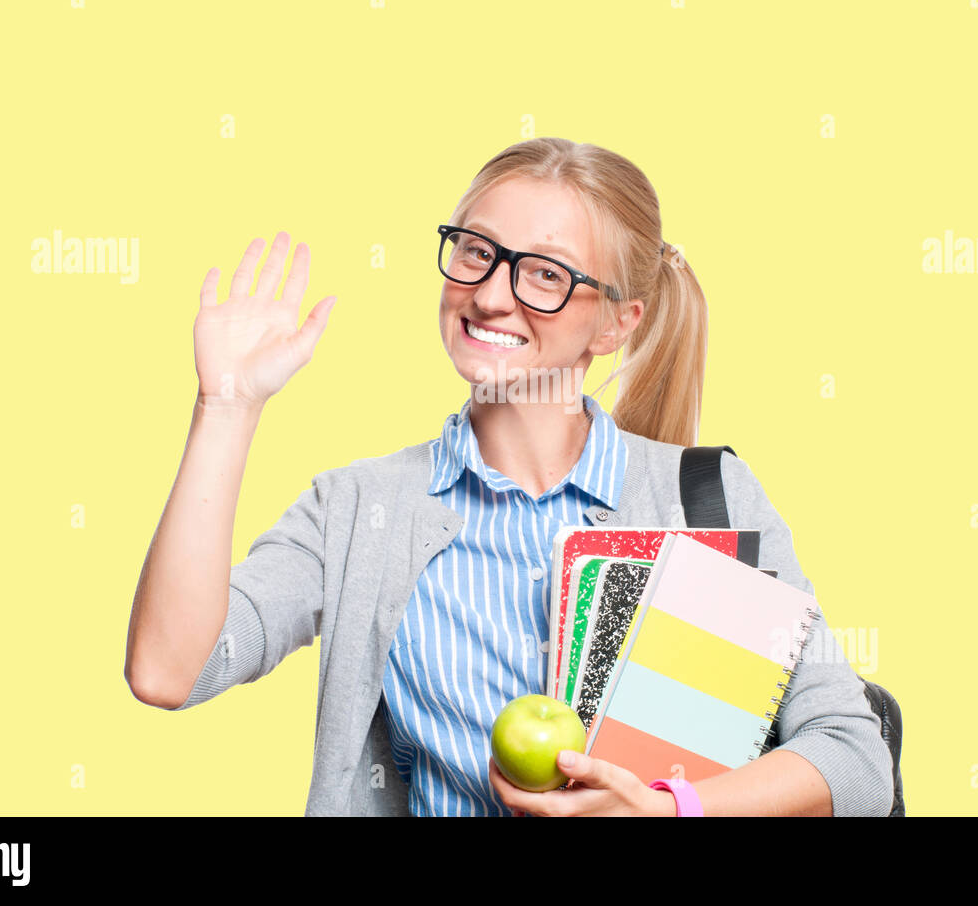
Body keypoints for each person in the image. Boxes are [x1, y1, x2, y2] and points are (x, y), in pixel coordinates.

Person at [123, 137, 894, 817]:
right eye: (476, 251)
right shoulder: (361, 509)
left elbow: (856, 764)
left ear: (618, 320)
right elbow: (170, 670)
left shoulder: (701, 502)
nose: (492, 294)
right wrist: (226, 408)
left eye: (547, 274)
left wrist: (670, 811)